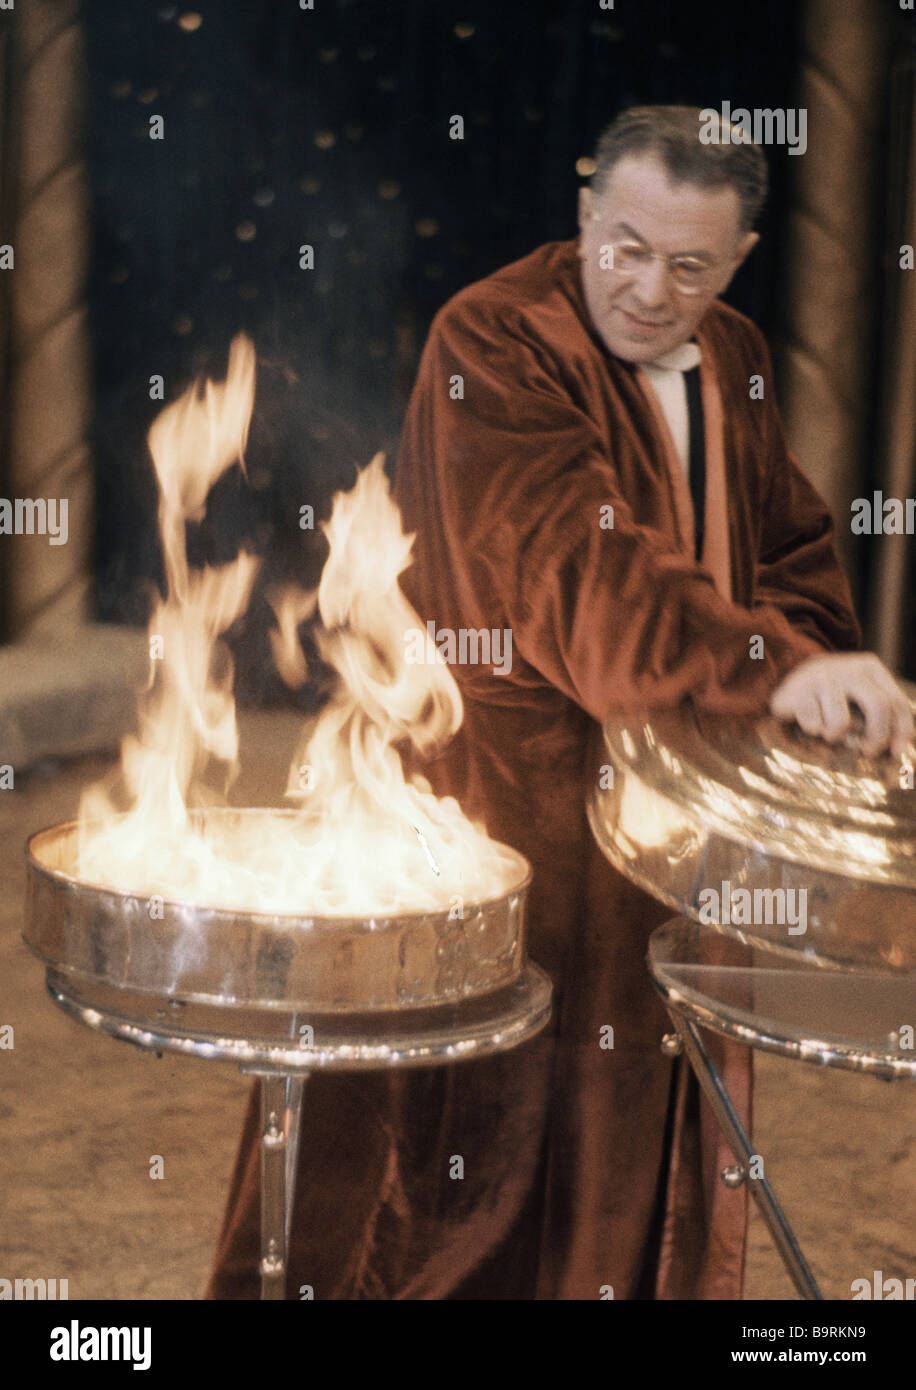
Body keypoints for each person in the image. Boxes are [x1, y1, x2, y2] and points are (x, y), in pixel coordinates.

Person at [206, 104, 912, 1300]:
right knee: (473, 1144)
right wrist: (770, 670)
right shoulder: (492, 336)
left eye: (688, 265)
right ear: (584, 215)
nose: (646, 288)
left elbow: (786, 549)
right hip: (508, 800)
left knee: (643, 1108)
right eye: (623, 246)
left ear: (737, 260)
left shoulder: (733, 352)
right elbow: (572, 568)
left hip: (681, 808)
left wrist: (812, 680)